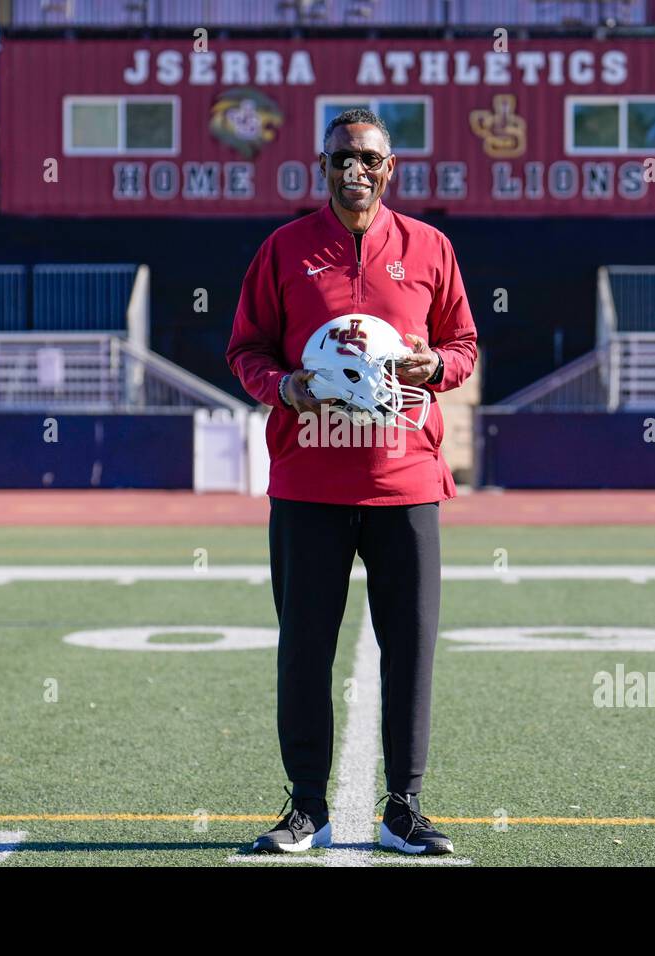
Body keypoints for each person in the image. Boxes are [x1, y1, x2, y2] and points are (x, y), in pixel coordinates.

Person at [225, 108, 478, 854]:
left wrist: (437, 367)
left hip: (407, 483)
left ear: (388, 167)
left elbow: (463, 344)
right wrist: (287, 388)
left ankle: (405, 809)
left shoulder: (430, 248)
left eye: (367, 157)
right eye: (341, 158)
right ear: (323, 165)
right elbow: (246, 350)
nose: (353, 170)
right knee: (304, 648)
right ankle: (307, 807)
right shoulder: (284, 250)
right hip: (309, 486)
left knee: (412, 647)